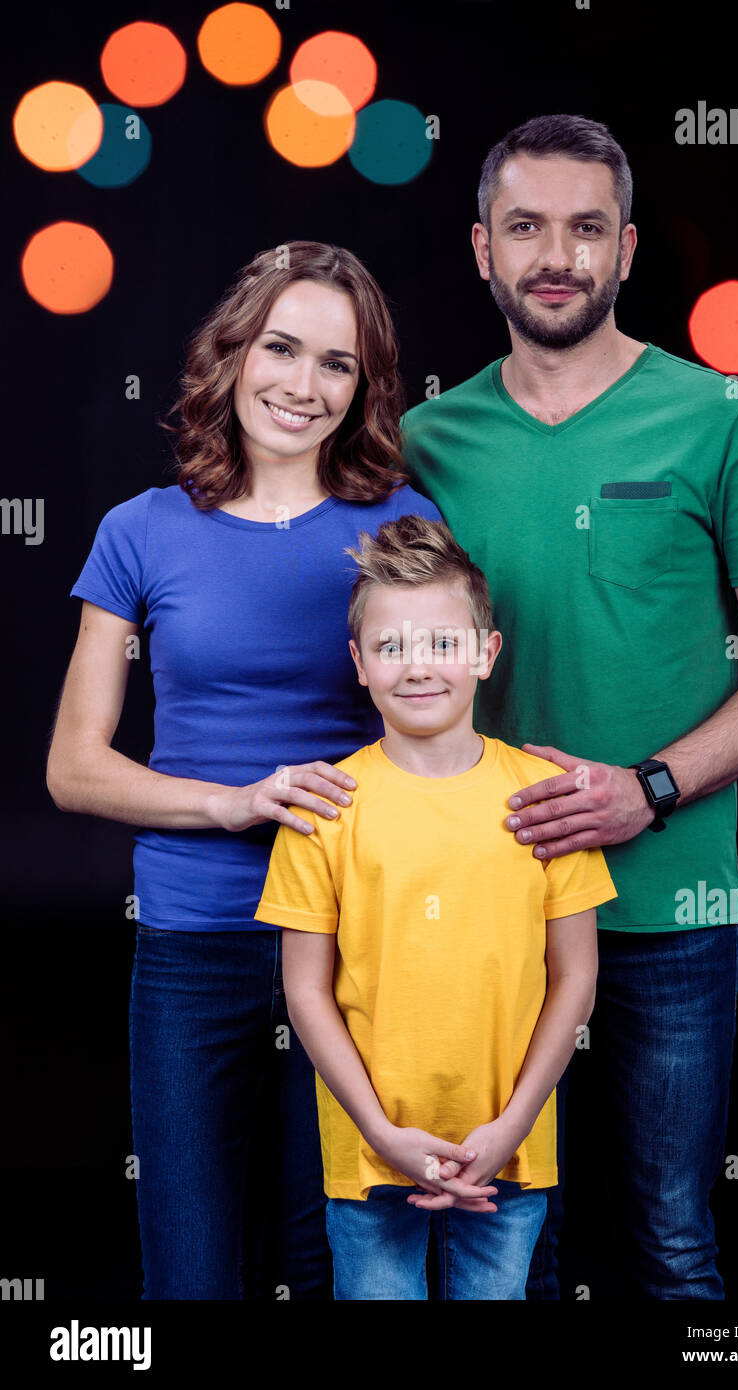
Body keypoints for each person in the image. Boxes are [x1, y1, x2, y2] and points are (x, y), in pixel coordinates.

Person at [399, 114, 738, 1299]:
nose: (557, 253)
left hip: (671, 901)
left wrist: (644, 790)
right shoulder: (427, 441)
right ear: (481, 248)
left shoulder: (723, 419)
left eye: (587, 228)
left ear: (627, 249)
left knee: (671, 1245)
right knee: (505, 1250)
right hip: (485, 904)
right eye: (527, 226)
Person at [45, 241, 443, 1300]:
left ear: (364, 390)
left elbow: (439, 731)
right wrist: (234, 802)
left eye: (337, 365)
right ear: (232, 352)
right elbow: (74, 767)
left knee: (336, 1268)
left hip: (356, 944)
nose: (302, 386)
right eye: (281, 347)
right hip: (192, 942)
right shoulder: (140, 530)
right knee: (191, 1272)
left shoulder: (400, 527)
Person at [252, 514, 618, 1299]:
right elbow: (305, 991)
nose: (418, 667)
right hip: (369, 1151)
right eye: (391, 647)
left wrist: (513, 1123)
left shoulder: (542, 802)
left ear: (487, 654)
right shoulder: (327, 808)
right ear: (358, 662)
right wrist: (380, 1132)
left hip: (508, 1151)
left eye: (443, 643)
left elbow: (575, 978)